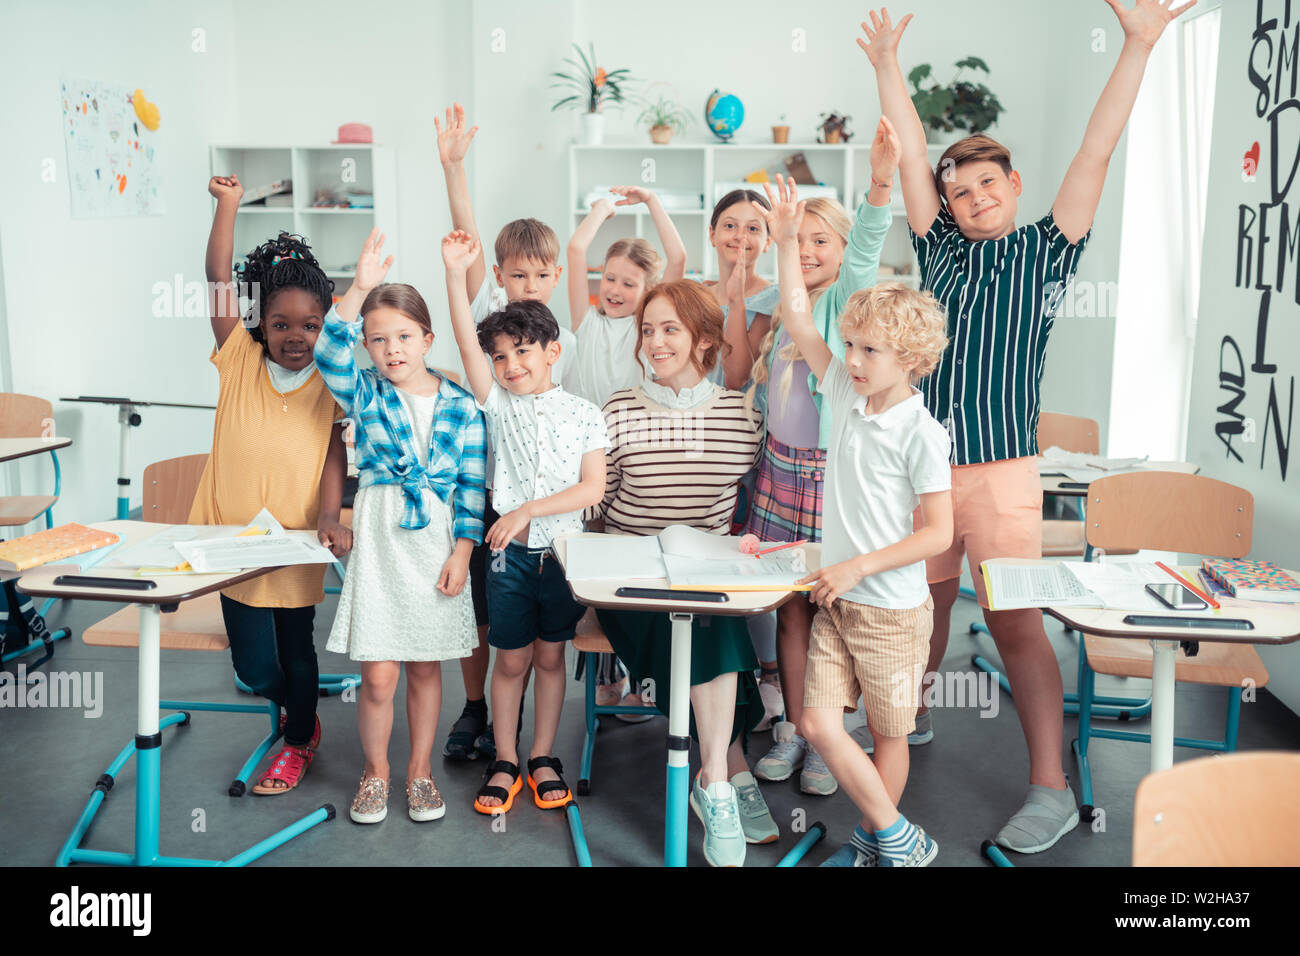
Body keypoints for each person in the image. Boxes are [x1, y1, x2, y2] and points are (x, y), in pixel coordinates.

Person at [859, 0, 1196, 852]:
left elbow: (1097, 148)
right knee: (917, 611)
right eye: (957, 189)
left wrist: (1140, 44)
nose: (972, 199)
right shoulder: (936, 247)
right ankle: (906, 724)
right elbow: (904, 138)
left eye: (986, 185)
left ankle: (1051, 784)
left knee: (1016, 624)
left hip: (1008, 473)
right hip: (922, 466)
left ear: (1012, 187)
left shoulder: (1049, 249)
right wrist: (888, 67)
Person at [757, 174, 953, 867]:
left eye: (872, 350)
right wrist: (784, 243)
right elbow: (798, 316)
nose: (854, 360)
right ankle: (900, 839)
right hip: (841, 599)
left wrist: (857, 566)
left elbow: (937, 534)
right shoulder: (840, 383)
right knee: (814, 721)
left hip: (893, 610)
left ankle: (877, 842)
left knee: (888, 733)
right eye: (854, 345)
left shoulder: (921, 432)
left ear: (913, 359)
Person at [593, 279, 777, 867]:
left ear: (704, 339)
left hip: (709, 581)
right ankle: (729, 774)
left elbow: (758, 502)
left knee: (708, 619)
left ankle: (716, 778)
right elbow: (597, 509)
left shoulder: (743, 415)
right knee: (706, 628)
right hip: (633, 583)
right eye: (648, 329)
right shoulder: (618, 410)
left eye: (670, 328)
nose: (654, 341)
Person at [314, 230, 487, 824]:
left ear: (427, 339)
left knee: (424, 665)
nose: (392, 350)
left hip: (437, 541)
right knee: (380, 673)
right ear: (367, 345)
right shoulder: (362, 393)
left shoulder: (462, 405)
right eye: (379, 339)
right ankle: (375, 772)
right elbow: (326, 351)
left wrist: (464, 552)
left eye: (405, 337)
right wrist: (359, 284)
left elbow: (470, 487)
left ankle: (418, 773)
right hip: (383, 539)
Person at [747, 117, 898, 796]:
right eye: (799, 239)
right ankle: (795, 728)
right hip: (783, 472)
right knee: (791, 607)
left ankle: (829, 734)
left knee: (837, 609)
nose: (807, 250)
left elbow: (867, 245)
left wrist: (879, 182)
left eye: (819, 240)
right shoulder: (788, 309)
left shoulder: (847, 299)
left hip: (831, 478)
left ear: (841, 251)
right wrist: (779, 242)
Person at [191, 175, 350, 796]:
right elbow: (216, 278)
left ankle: (301, 734)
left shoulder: (328, 381)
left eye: (310, 325)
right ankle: (297, 706)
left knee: (300, 652)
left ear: (324, 326)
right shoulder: (238, 358)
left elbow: (335, 455)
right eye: (281, 324)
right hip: (234, 544)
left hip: (295, 542)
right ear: (260, 321)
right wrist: (228, 206)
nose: (295, 337)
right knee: (255, 667)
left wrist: (332, 517)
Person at [443, 228, 608, 815]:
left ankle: (542, 756)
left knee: (550, 657)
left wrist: (528, 510)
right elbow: (466, 343)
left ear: (552, 351)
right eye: (501, 357)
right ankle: (506, 758)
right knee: (510, 659)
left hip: (563, 558)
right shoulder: (496, 402)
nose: (511, 366)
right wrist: (453, 275)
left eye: (523, 353)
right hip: (507, 559)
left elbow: (593, 488)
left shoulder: (586, 414)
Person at [436, 104, 578, 759]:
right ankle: (481, 715)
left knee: (534, 635)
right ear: (500, 279)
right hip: (482, 489)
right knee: (485, 615)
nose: (527, 285)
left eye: (538, 275)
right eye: (514, 274)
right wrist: (454, 167)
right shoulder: (490, 327)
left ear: (555, 279)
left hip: (539, 503)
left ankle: (523, 739)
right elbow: (466, 245)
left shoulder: (560, 342)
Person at [566, 186, 686, 713]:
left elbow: (678, 259)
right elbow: (574, 251)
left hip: (637, 460)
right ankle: (612, 675)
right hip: (585, 461)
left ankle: (647, 677)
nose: (614, 288)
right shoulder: (585, 321)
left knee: (638, 561)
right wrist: (603, 211)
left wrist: (652, 203)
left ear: (649, 289)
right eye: (610, 277)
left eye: (628, 282)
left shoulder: (648, 331)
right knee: (599, 566)